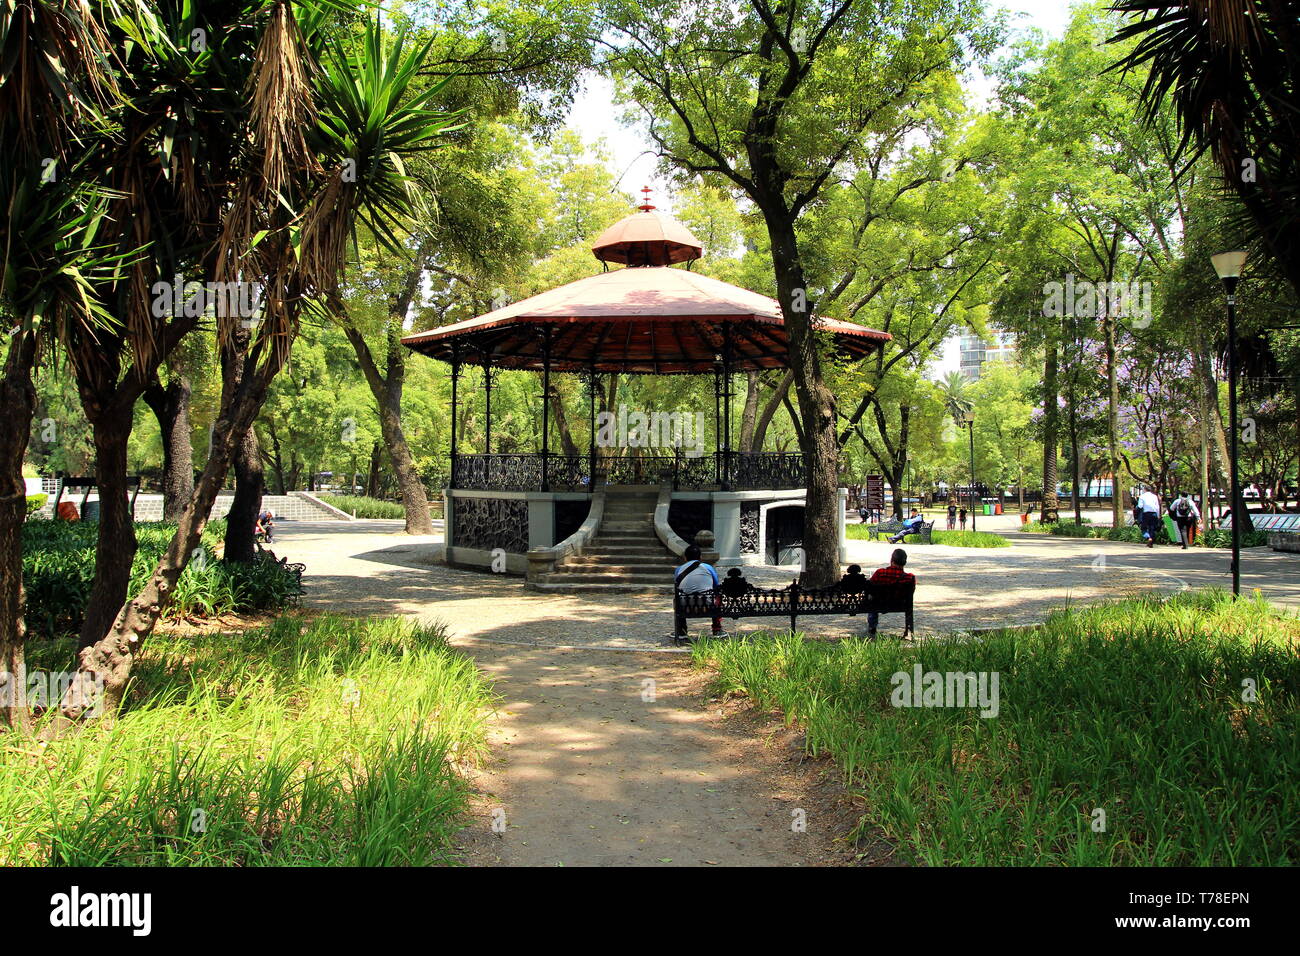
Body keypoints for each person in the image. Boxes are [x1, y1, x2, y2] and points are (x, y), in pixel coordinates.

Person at [672, 544, 722, 641]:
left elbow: (677, 587)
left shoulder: (679, 569)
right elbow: (716, 586)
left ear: (685, 558)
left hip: (685, 605)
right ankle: (717, 629)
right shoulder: (708, 568)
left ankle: (682, 630)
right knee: (717, 597)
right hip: (707, 605)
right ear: (700, 557)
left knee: (676, 599)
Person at [867, 548, 915, 637]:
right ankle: (908, 630)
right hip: (899, 603)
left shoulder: (880, 573)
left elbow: (869, 587)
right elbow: (911, 592)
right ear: (904, 562)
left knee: (872, 601)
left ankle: (872, 626)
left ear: (891, 560)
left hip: (879, 602)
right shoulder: (909, 578)